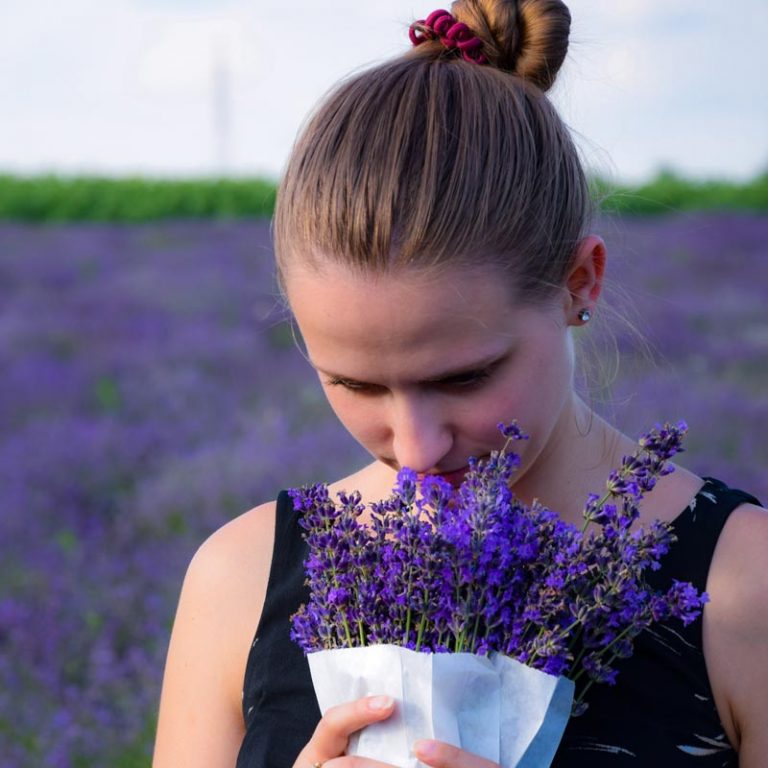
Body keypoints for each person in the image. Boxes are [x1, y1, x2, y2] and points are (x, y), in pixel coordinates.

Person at [152, 1, 768, 766]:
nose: (415, 449)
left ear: (580, 282)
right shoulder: (239, 581)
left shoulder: (745, 587)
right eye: (355, 384)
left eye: (466, 376)